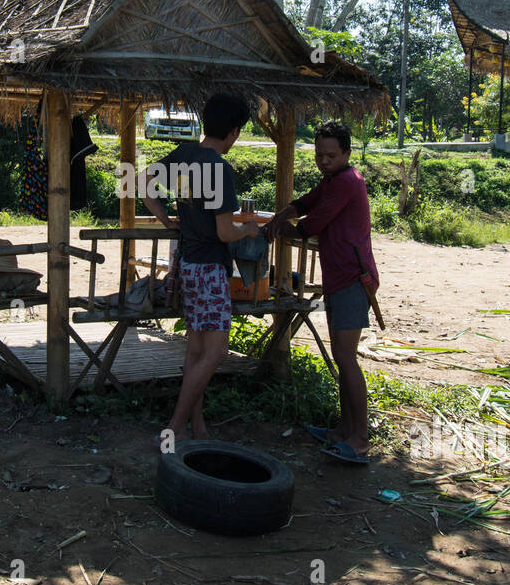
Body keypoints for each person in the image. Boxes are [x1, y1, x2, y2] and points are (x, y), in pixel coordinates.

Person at [140, 93, 260, 443]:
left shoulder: (184, 155)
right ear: (234, 132)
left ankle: (198, 425)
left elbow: (144, 184)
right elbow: (225, 232)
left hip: (187, 264)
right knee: (217, 351)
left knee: (196, 351)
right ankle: (174, 428)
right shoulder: (220, 168)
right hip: (210, 269)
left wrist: (166, 220)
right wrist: (248, 229)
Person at [265, 120, 378, 464]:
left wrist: (283, 227)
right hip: (340, 278)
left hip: (352, 279)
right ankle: (344, 428)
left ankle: (360, 438)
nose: (323, 160)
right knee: (343, 358)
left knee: (346, 358)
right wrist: (286, 211)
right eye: (318, 155)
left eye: (330, 155)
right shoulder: (333, 180)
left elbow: (315, 222)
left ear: (346, 153)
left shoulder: (346, 182)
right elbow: (309, 201)